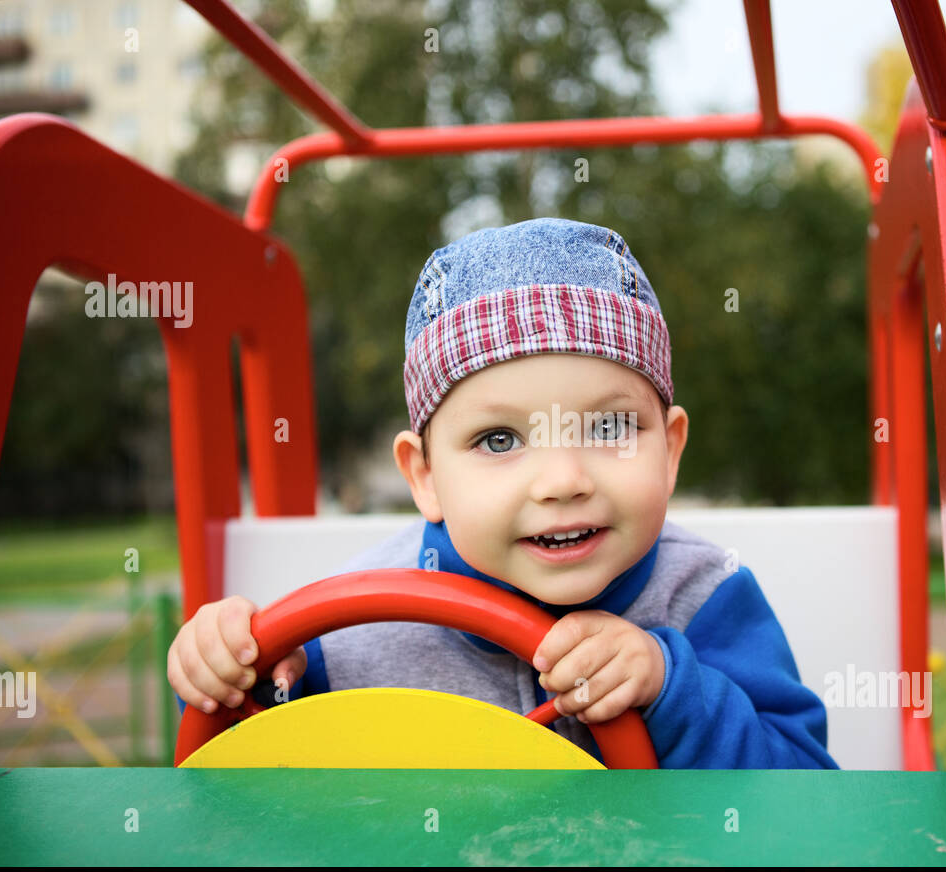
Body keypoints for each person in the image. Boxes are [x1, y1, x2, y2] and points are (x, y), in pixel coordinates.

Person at [168, 217, 838, 769]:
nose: (563, 481)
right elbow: (253, 796)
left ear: (671, 452)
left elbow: (803, 796)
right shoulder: (348, 629)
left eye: (608, 427)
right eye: (498, 440)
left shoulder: (706, 597)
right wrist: (231, 680)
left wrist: (671, 689)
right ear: (424, 477)